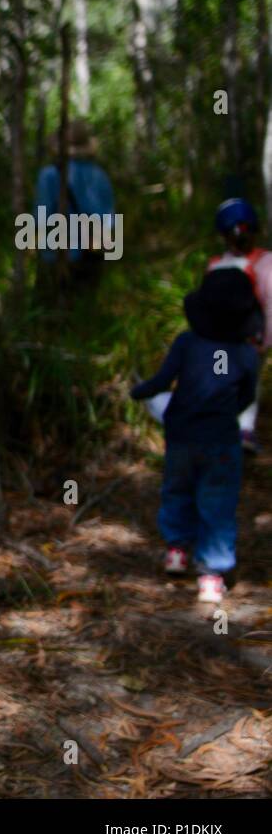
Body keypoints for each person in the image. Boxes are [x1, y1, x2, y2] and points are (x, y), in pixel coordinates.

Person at [131, 269, 260, 603]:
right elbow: (247, 396)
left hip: (181, 434)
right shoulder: (246, 355)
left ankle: (176, 549)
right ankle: (212, 575)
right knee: (217, 500)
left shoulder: (187, 343)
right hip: (220, 439)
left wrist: (139, 390)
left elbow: (162, 381)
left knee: (177, 488)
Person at [207, 197, 272, 452]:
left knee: (225, 379)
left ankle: (226, 428)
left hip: (223, 341)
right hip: (248, 341)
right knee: (248, 383)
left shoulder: (215, 265)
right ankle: (241, 429)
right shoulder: (264, 262)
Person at [33, 120, 115, 288]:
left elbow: (41, 219)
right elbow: (110, 222)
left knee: (53, 308)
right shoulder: (101, 176)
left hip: (57, 257)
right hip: (92, 257)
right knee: (87, 308)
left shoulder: (49, 175)